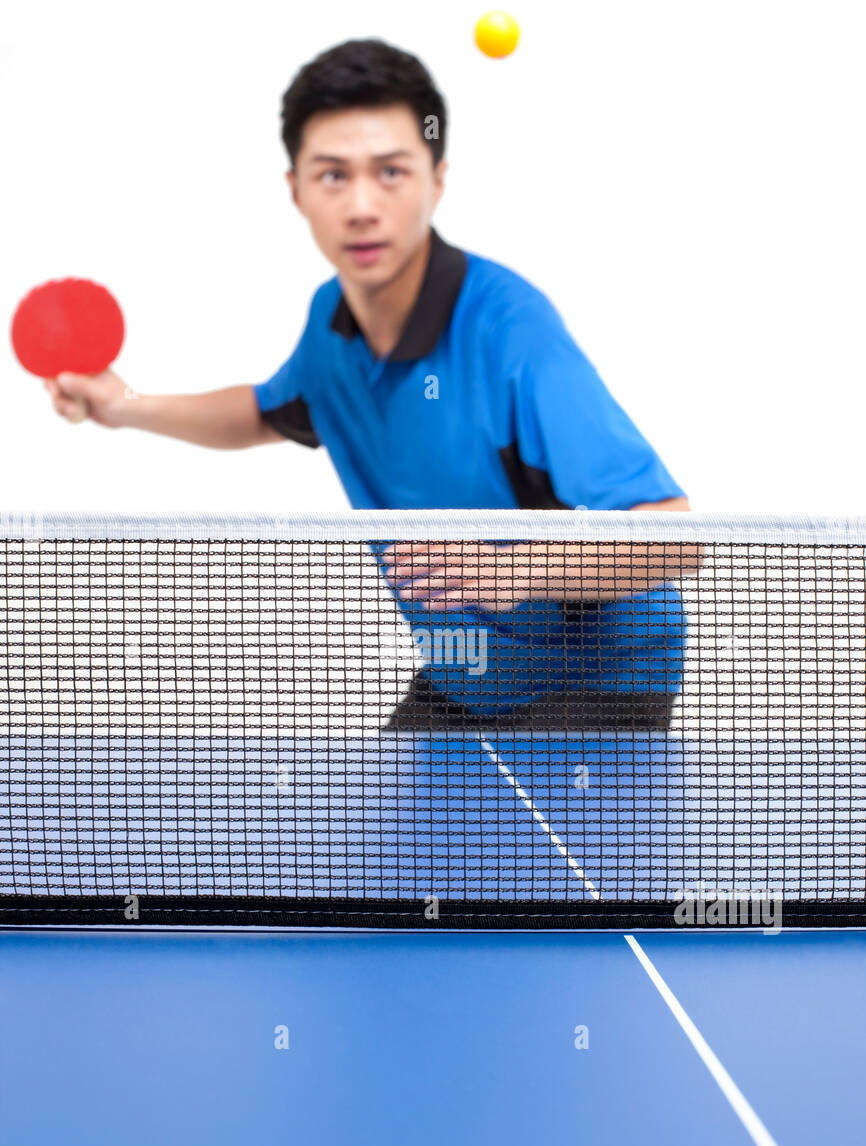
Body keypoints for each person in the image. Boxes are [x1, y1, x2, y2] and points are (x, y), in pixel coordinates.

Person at [43, 38, 702, 732]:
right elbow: (268, 412)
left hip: (597, 677)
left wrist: (514, 572)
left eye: (391, 172)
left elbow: (671, 535)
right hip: (471, 666)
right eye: (333, 176)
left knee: (514, 843)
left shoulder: (510, 332)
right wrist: (127, 406)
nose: (362, 205)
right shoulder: (331, 327)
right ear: (295, 189)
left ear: (436, 180)